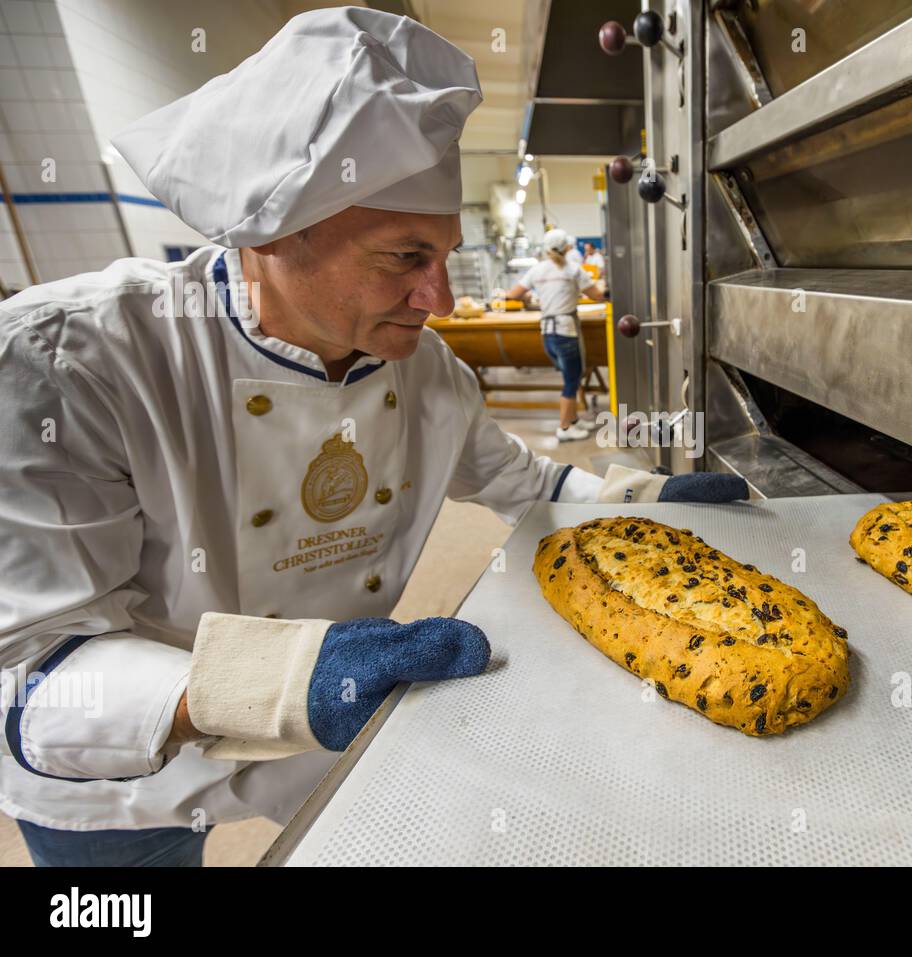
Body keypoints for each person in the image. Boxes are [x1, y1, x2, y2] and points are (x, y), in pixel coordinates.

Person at [0, 7, 748, 867]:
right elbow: (34, 672)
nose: (443, 300)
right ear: (274, 234)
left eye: (445, 255)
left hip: (327, 728)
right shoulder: (68, 363)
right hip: (114, 780)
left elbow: (528, 485)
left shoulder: (423, 372)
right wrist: (275, 681)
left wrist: (639, 496)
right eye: (403, 257)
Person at [501, 228, 603, 441]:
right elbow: (597, 296)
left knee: (570, 376)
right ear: (567, 247)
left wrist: (529, 295)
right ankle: (565, 428)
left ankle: (573, 419)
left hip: (547, 333)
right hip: (566, 331)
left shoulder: (537, 271)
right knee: (572, 380)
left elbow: (512, 294)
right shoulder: (573, 269)